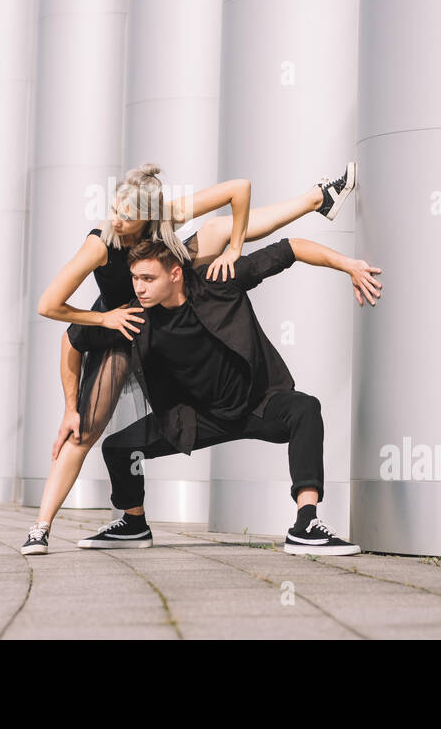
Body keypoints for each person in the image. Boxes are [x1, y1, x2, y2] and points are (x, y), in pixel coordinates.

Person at [21, 161, 358, 555]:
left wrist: (234, 251)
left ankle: (317, 198)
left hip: (163, 291)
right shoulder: (101, 242)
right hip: (120, 321)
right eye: (114, 209)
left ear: (150, 216)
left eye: (126, 215)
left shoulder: (166, 219)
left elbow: (240, 188)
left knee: (216, 230)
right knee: (88, 430)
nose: (114, 219)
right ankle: (42, 527)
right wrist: (102, 324)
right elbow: (50, 307)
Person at [69, 234, 382, 555]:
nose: (139, 287)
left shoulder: (219, 282)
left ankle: (306, 523)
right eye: (135, 278)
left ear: (175, 273)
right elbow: (72, 339)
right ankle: (134, 523)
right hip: (194, 418)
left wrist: (349, 266)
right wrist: (71, 408)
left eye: (148, 278)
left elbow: (291, 249)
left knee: (305, 409)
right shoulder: (133, 316)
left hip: (255, 404)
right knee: (119, 448)